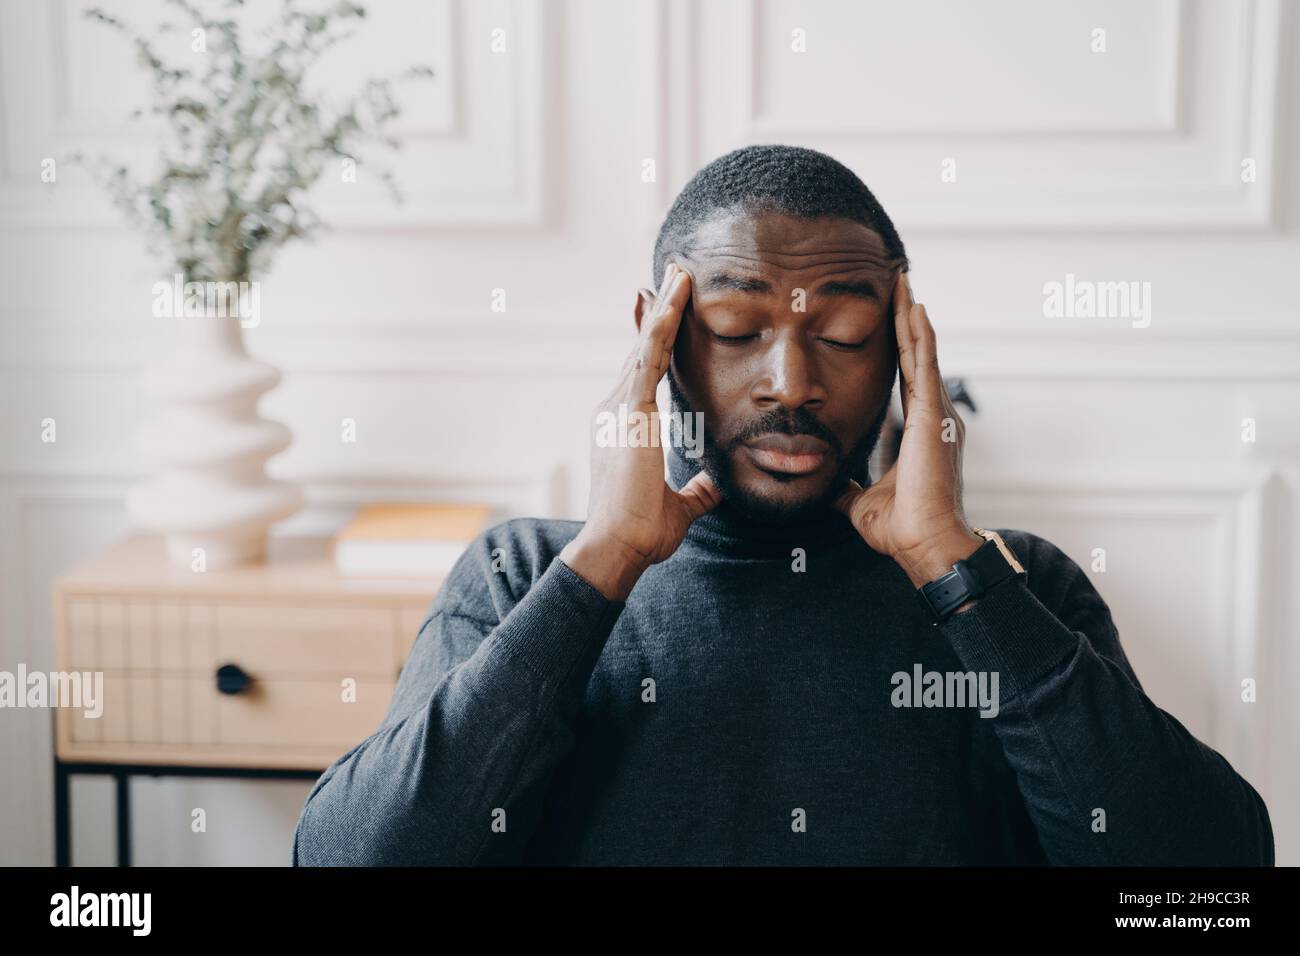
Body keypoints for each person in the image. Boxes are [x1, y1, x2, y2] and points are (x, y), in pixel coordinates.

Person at [292, 145, 1273, 866]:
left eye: (843, 332)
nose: (790, 380)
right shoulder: (520, 575)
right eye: (733, 327)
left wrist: (956, 569)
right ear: (659, 338)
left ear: (903, 343)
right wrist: (604, 561)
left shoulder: (1019, 585)